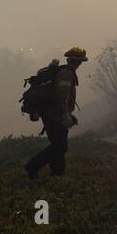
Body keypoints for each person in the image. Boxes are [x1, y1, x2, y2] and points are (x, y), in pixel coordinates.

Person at [25, 46, 89, 179]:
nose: (79, 64)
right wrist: (66, 114)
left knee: (58, 145)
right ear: (75, 61)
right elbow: (63, 96)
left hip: (51, 113)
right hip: (54, 115)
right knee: (61, 146)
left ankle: (57, 174)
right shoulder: (67, 73)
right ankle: (33, 166)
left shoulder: (64, 71)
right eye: (79, 61)